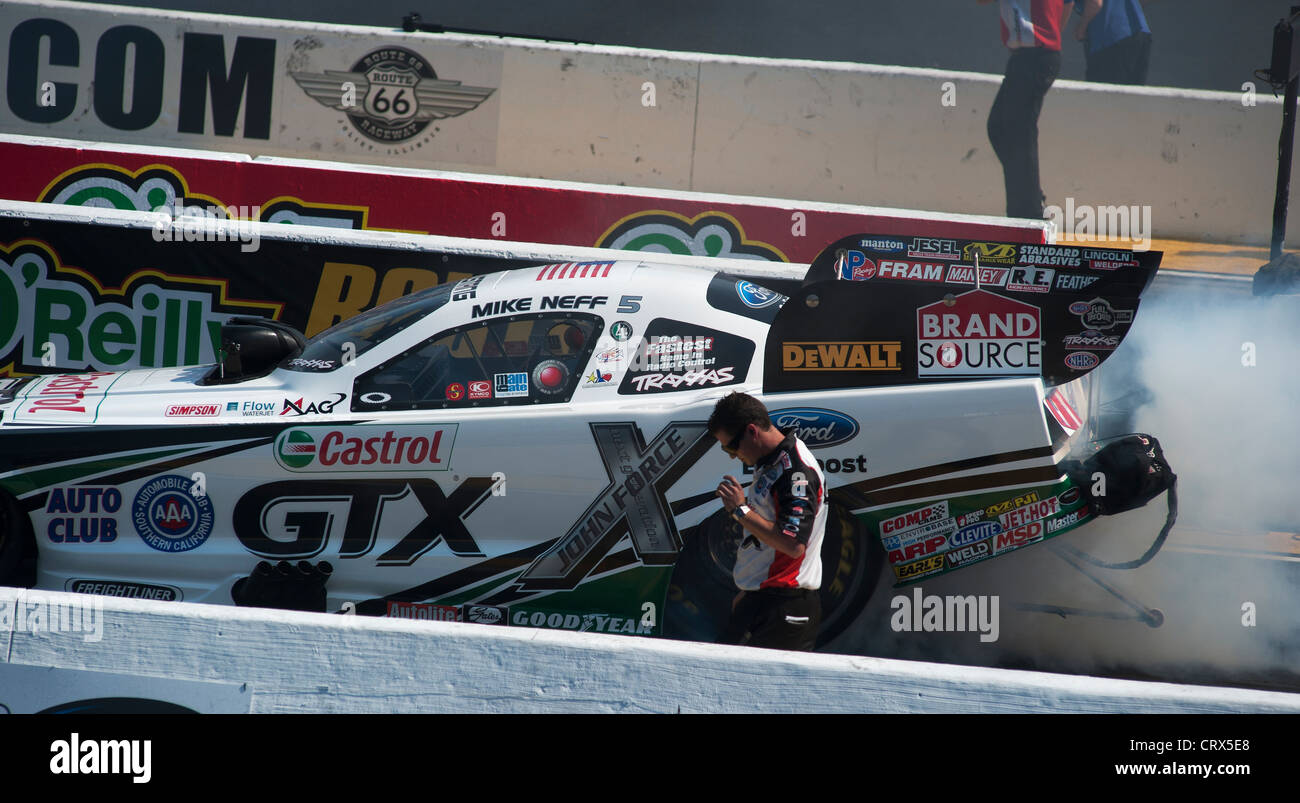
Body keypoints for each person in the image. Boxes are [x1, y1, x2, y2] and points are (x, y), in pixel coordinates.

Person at [709, 391, 826, 651]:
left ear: (752, 431)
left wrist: (740, 511)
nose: (731, 455)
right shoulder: (773, 460)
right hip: (766, 598)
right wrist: (750, 589)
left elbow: (793, 544)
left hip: (786, 606)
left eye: (731, 446)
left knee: (729, 680)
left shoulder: (796, 473)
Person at [980, 0, 1076, 219]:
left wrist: (1047, 39)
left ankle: (1029, 210)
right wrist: (1051, 35)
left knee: (1019, 133)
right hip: (1033, 56)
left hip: (1034, 56)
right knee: (1000, 128)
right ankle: (1028, 198)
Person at [1074, 0, 1152, 85]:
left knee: (1103, 95)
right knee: (1134, 95)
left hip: (1111, 36)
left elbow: (1095, 3)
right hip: (1141, 32)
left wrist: (1082, 27)